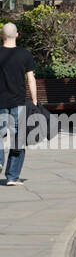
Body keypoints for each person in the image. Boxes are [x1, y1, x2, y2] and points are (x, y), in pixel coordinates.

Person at [0, 22, 38, 186]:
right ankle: (12, 177)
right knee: (18, 139)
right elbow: (31, 79)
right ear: (17, 35)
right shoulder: (25, 55)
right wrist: (34, 100)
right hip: (18, 102)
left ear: (2, 35)